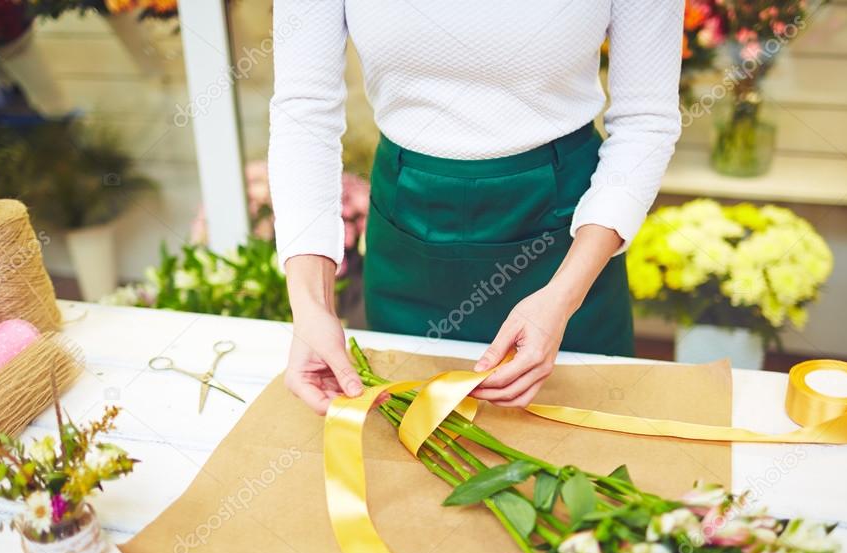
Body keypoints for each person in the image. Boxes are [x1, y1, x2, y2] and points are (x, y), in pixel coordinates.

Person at [269, 1, 683, 415]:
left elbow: (645, 120)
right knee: (408, 448)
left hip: (568, 242)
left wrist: (564, 296)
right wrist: (311, 306)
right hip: (407, 230)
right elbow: (304, 112)